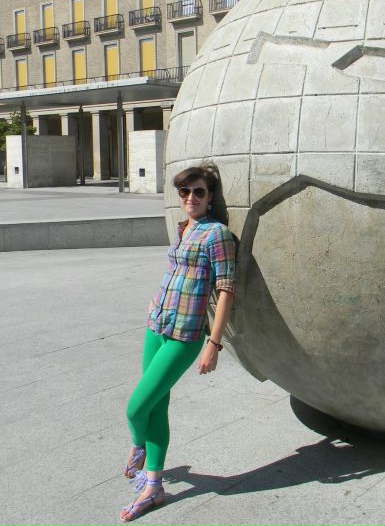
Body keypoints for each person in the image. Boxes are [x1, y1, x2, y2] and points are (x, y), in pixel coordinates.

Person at [120, 164, 236, 522]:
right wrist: (155, 302)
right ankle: (154, 486)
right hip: (156, 324)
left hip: (185, 335)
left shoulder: (217, 235)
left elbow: (225, 289)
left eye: (198, 192)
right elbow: (175, 272)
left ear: (210, 197)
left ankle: (139, 446)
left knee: (135, 409)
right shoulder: (184, 227)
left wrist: (214, 344)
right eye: (185, 192)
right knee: (156, 405)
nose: (190, 198)